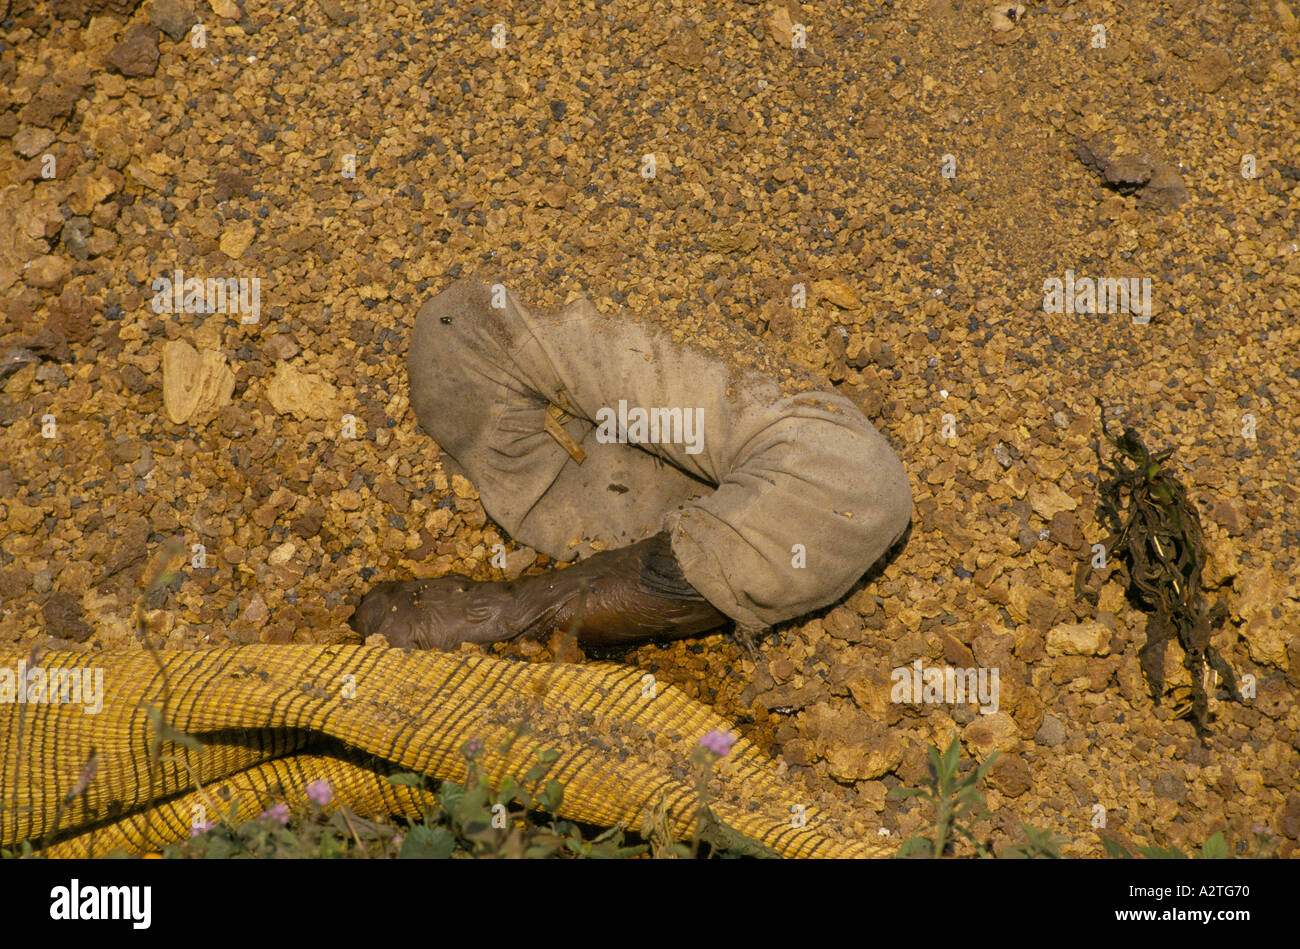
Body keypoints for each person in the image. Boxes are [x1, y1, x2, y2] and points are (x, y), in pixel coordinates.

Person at [351, 278, 912, 651]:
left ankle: (530, 611)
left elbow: (847, 482)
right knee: (465, 328)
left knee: (841, 484)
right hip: (529, 335)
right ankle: (543, 607)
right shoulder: (494, 321)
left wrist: (511, 613)